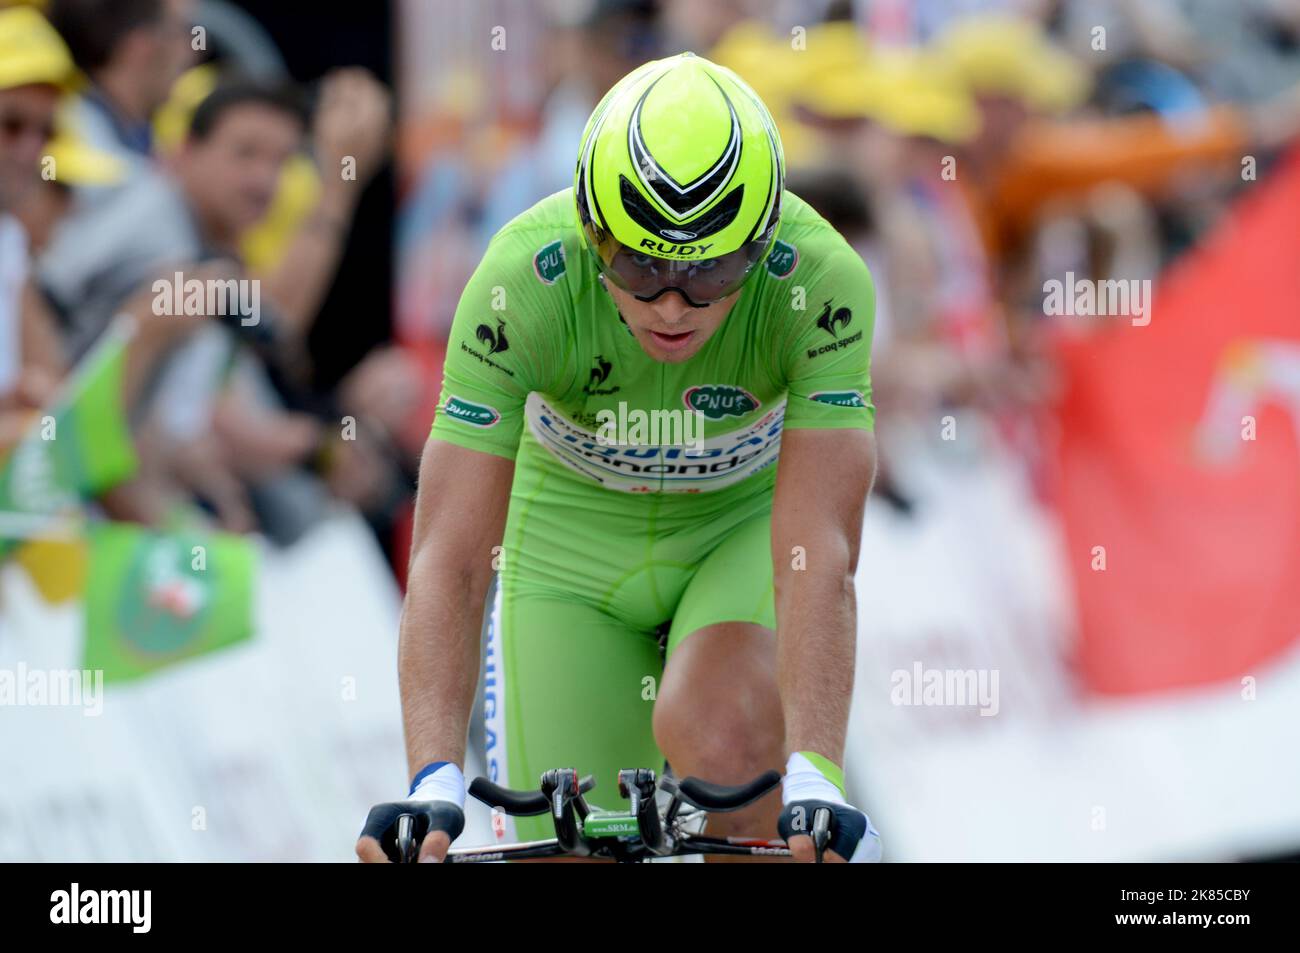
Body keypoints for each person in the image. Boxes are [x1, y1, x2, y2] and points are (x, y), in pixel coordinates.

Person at [359, 53, 883, 863]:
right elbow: (451, 559)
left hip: (734, 531)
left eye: (710, 271)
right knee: (575, 843)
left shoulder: (820, 282)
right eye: (638, 265)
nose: (672, 305)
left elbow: (821, 554)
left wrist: (814, 772)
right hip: (570, 549)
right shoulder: (518, 282)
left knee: (727, 738)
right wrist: (431, 778)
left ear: (765, 241)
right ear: (589, 230)